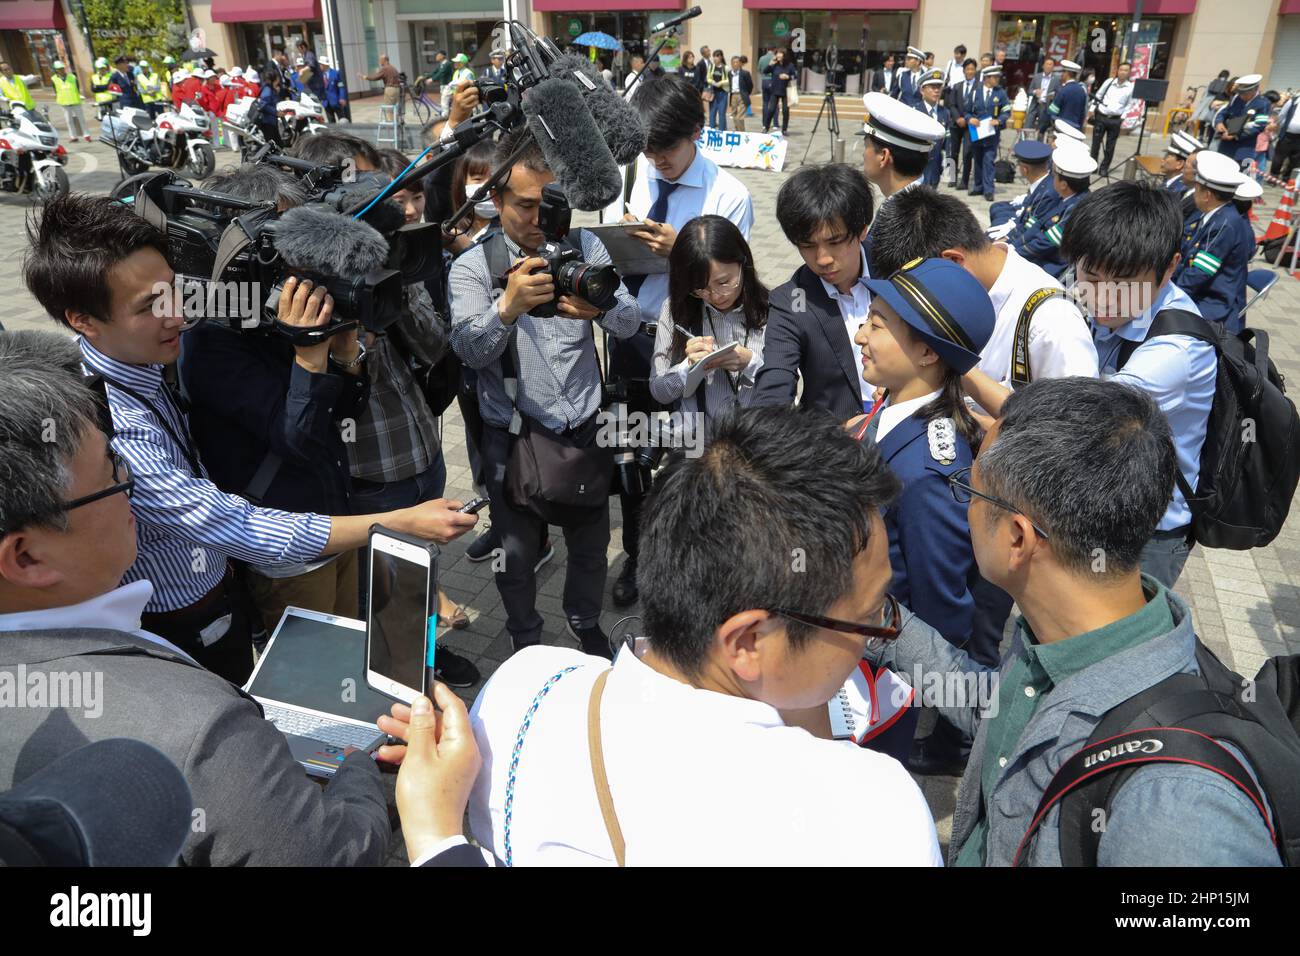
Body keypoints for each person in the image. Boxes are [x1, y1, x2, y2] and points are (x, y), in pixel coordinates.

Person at [22, 194, 478, 685]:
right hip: (179, 619)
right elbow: (235, 524)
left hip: (227, 586)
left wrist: (342, 353)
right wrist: (398, 523)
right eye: (149, 305)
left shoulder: (142, 365)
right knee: (292, 688)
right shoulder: (110, 421)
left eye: (174, 290)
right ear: (82, 319)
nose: (177, 313)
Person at [466, 404, 942, 866]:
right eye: (870, 615)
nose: (879, 633)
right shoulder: (874, 815)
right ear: (748, 642)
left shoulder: (521, 687)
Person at [0, 331, 392, 866]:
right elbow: (336, 856)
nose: (133, 483)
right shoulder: (198, 729)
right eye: (115, 474)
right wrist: (359, 769)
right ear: (25, 557)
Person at [870, 375, 1280, 866]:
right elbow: (1002, 716)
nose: (964, 510)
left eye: (969, 491)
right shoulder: (1068, 635)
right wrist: (877, 618)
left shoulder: (1176, 812)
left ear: (1018, 539)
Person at [448, 127, 640, 657]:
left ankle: (585, 623)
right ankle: (524, 638)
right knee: (514, 554)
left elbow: (629, 324)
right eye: (525, 206)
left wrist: (600, 308)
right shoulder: (472, 267)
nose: (539, 221)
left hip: (583, 428)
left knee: (592, 550)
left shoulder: (586, 244)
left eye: (550, 205)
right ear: (495, 199)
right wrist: (505, 308)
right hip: (512, 434)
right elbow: (469, 352)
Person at [603, 73, 754, 607]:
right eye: (647, 149)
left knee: (695, 454)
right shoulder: (628, 176)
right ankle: (637, 557)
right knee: (628, 454)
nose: (656, 160)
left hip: (690, 347)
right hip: (629, 338)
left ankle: (696, 559)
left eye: (666, 148)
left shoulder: (727, 195)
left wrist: (678, 253)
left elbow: (729, 286)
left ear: (697, 130)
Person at [849, 257, 997, 773]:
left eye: (877, 325)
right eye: (867, 317)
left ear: (928, 353)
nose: (861, 334)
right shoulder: (891, 405)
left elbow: (941, 603)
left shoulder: (927, 472)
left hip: (880, 668)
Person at [1060, 181, 1215, 588]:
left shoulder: (1173, 353)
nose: (1102, 297)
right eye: (1089, 275)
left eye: (1125, 283)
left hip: (1149, 535)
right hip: (1101, 500)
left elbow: (1071, 424)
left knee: (1125, 645)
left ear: (1169, 268)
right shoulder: (1109, 293)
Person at [868, 187, 1098, 399]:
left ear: (953, 261)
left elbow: (1078, 429)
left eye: (920, 291)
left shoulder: (1053, 324)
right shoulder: (970, 291)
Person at [752, 164, 875, 420]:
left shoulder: (897, 270)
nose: (822, 259)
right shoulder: (790, 301)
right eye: (807, 246)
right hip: (835, 443)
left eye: (835, 242)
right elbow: (774, 382)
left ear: (862, 229)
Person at [650, 216, 767, 435]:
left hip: (760, 441)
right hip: (700, 446)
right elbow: (659, 390)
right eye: (700, 288)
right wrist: (687, 368)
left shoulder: (774, 309)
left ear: (743, 263)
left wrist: (750, 363)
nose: (715, 295)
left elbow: (788, 383)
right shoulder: (675, 309)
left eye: (724, 282)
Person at [1171, 150, 1255, 331]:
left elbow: (1200, 272)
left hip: (1213, 308)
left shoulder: (1224, 224)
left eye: (1197, 189)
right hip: (1201, 297)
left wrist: (1170, 296)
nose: (1194, 194)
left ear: (1207, 195)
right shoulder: (1215, 216)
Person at [1013, 144, 1095, 278]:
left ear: (1063, 185)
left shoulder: (1077, 208)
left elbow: (1046, 242)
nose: (1051, 180)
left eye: (1054, 176)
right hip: (1046, 255)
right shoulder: (1068, 199)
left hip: (1054, 263)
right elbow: (1038, 225)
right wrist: (1012, 247)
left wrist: (1014, 254)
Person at [859, 90, 944, 211]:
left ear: (884, 156)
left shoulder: (901, 220)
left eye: (866, 146)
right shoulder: (925, 211)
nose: (863, 154)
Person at [988, 140, 1061, 243]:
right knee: (996, 209)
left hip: (1027, 242)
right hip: (1023, 228)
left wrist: (1007, 239)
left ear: (1025, 169)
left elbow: (1031, 229)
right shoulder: (1043, 182)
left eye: (1018, 164)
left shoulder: (1047, 194)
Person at [968, 64, 1011, 201]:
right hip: (977, 132)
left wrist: (999, 120)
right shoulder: (975, 91)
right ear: (987, 78)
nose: (997, 79)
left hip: (992, 134)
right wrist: (970, 119)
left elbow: (1006, 110)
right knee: (978, 161)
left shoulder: (1000, 93)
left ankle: (988, 190)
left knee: (988, 161)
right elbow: (967, 111)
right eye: (995, 77)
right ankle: (978, 186)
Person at [1214, 74, 1270, 168]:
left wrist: (1235, 135)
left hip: (1243, 149)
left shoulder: (1263, 103)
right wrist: (1219, 122)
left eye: (1245, 93)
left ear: (1254, 90)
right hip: (1225, 146)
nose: (1242, 96)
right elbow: (1224, 112)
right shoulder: (1236, 98)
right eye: (1240, 93)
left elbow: (1259, 127)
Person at [1089, 61, 1134, 176]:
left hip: (1115, 119)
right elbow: (1098, 95)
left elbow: (1129, 105)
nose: (1123, 72)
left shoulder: (1130, 87)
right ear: (1117, 71)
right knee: (1095, 143)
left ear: (1129, 73)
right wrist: (1092, 109)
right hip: (1101, 116)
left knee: (1110, 146)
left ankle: (1104, 168)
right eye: (1121, 69)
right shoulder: (1109, 82)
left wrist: (1122, 118)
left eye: (1126, 70)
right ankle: (1092, 165)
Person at [916, 69, 950, 186]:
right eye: (932, 87)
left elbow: (947, 140)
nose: (936, 90)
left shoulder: (945, 112)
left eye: (939, 87)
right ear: (922, 90)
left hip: (936, 164)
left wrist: (947, 161)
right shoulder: (914, 111)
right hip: (917, 165)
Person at [952, 58, 980, 189]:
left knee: (967, 153)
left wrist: (968, 119)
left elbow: (980, 106)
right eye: (967, 69)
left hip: (971, 125)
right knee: (953, 152)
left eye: (972, 69)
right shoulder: (957, 86)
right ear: (963, 71)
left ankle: (964, 181)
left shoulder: (979, 87)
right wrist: (958, 118)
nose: (970, 71)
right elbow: (951, 105)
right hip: (956, 123)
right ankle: (952, 178)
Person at [50, 60, 91, 143]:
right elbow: (55, 90)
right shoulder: (53, 79)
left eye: (62, 68)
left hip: (75, 100)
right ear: (56, 70)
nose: (61, 70)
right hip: (64, 102)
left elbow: (77, 87)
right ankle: (73, 136)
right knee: (69, 120)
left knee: (81, 119)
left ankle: (87, 135)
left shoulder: (72, 77)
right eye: (59, 69)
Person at [1268, 90, 1300, 180]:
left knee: (1295, 160)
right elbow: (1282, 114)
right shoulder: (1293, 101)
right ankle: (1273, 176)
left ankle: (1287, 179)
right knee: (1279, 157)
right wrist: (1280, 126)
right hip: (1287, 135)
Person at [1048, 59, 1087, 134]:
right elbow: (1082, 113)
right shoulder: (1082, 91)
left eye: (1062, 72)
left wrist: (1051, 100)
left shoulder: (1063, 90)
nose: (1061, 75)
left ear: (1067, 73)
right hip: (1075, 129)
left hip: (1062, 128)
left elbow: (1052, 111)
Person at [1027, 56, 1060, 138]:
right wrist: (1035, 92)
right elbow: (1029, 91)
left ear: (1053, 67)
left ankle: (1039, 146)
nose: (1048, 66)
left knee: (1041, 129)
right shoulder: (1037, 77)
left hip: (1046, 106)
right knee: (1027, 125)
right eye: (1047, 64)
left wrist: (1054, 96)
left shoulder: (1056, 79)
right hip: (1035, 104)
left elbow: (1059, 94)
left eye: (1051, 64)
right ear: (1043, 66)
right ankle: (1024, 144)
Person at [762, 49, 792, 134]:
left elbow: (795, 75)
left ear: (784, 55)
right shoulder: (774, 65)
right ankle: (766, 127)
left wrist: (787, 76)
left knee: (785, 111)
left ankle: (784, 129)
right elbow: (764, 71)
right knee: (771, 110)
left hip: (786, 91)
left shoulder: (790, 65)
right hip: (775, 91)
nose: (778, 55)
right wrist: (770, 64)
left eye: (780, 53)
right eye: (777, 54)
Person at [319, 54, 349, 122]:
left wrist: (342, 98)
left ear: (324, 65)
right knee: (331, 122)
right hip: (326, 103)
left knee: (342, 120)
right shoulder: (320, 75)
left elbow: (341, 86)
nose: (319, 66)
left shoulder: (335, 73)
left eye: (320, 64)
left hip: (336, 101)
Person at [728, 54, 753, 132]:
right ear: (731, 64)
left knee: (740, 116)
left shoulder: (745, 73)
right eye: (733, 62)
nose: (735, 64)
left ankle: (742, 132)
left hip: (742, 95)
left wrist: (745, 93)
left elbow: (750, 85)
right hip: (733, 95)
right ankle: (737, 130)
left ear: (740, 63)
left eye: (737, 62)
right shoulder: (729, 73)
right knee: (734, 115)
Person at [706, 49, 729, 130]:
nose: (714, 58)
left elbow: (729, 80)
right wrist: (712, 82)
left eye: (716, 56)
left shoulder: (725, 68)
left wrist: (721, 83)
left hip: (723, 93)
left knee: (722, 113)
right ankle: (712, 130)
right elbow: (708, 78)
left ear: (721, 57)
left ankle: (722, 131)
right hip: (713, 93)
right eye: (714, 56)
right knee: (712, 113)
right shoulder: (711, 67)